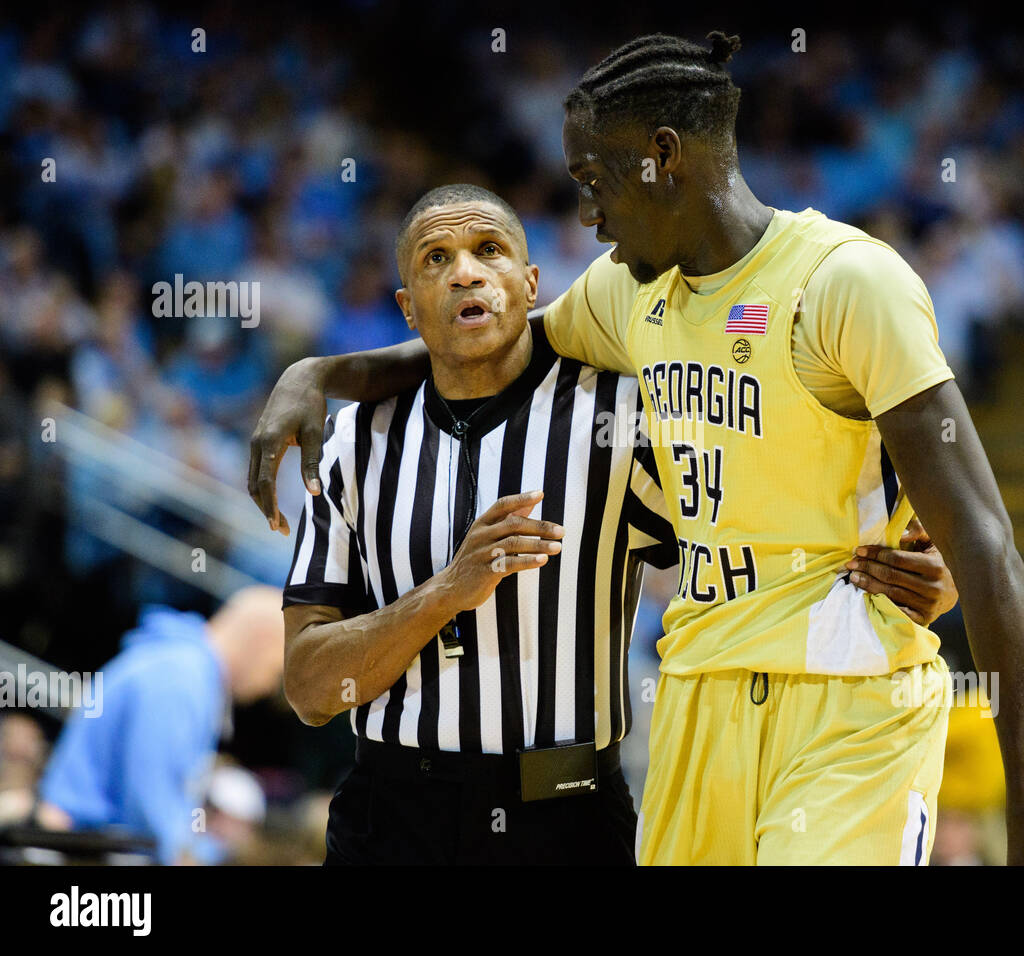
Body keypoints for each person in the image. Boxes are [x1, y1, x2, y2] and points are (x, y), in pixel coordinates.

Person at [249, 30, 1024, 865]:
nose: (587, 216)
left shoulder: (847, 283)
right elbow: (495, 341)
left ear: (663, 156)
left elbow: (986, 539)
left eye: (592, 180)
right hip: (695, 695)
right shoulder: (623, 294)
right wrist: (322, 372)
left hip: (844, 689)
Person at [277, 183, 956, 865]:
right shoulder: (350, 445)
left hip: (564, 814)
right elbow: (309, 691)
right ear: (408, 309)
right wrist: (445, 592)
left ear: (531, 282)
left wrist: (928, 570)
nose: (466, 271)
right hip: (393, 814)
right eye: (435, 258)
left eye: (489, 250)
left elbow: (767, 521)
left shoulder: (621, 420)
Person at [35, 587, 284, 864]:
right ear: (263, 640)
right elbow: (149, 807)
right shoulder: (181, 679)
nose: (269, 688)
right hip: (78, 850)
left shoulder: (182, 667)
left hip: (85, 845)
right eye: (276, 672)